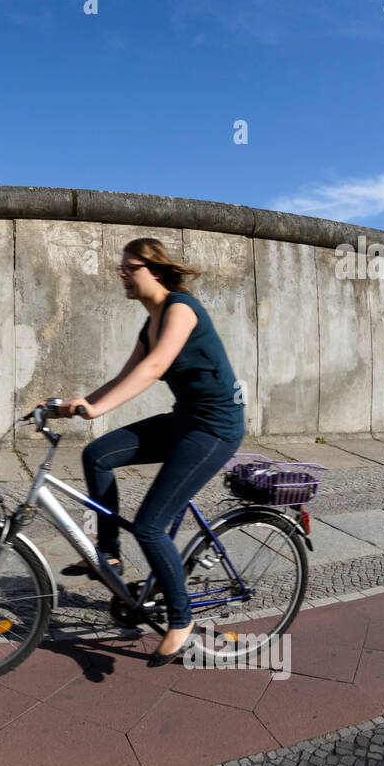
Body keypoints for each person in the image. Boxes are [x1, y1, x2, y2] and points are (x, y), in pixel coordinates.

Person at [52, 238, 246, 667]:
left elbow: (155, 367)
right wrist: (75, 405)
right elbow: (126, 374)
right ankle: (110, 555)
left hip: (215, 429)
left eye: (129, 266)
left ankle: (182, 619)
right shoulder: (149, 322)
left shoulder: (180, 308)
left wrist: (99, 408)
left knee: (151, 526)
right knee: (98, 455)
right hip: (184, 420)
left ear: (153, 269)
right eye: (120, 266)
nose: (121, 273)